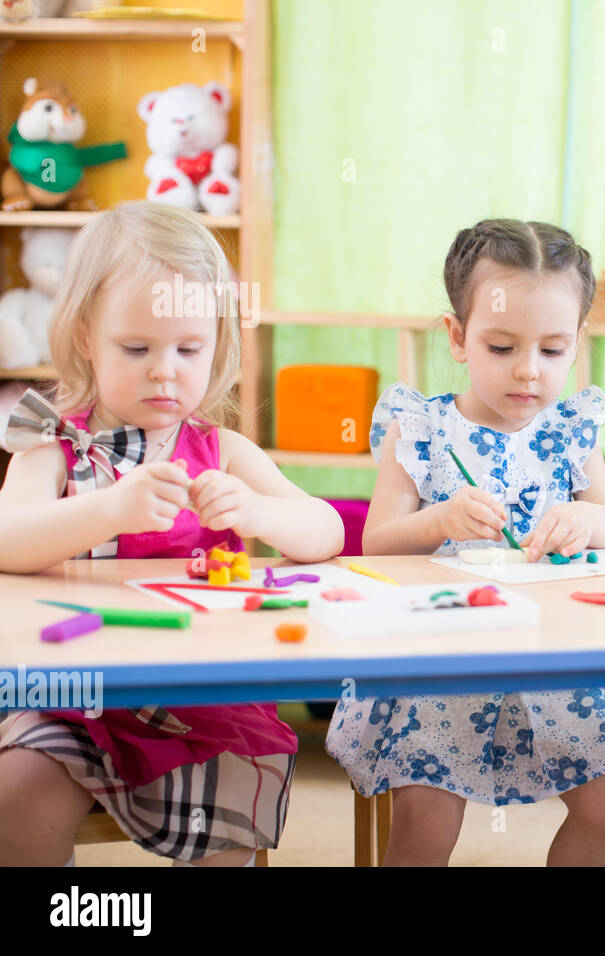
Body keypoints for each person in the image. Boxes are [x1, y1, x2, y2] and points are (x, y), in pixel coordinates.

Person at [0, 201, 344, 866]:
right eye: (137, 349)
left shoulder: (222, 448)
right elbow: (7, 537)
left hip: (198, 698)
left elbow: (325, 530)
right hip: (73, 695)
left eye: (189, 349)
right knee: (16, 796)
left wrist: (257, 512)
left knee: (235, 810)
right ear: (83, 339)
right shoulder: (55, 443)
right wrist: (104, 512)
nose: (165, 370)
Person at [326, 219, 605, 866]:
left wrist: (588, 524)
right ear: (458, 337)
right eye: (502, 348)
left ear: (578, 344)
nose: (529, 373)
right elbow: (373, 545)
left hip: (554, 654)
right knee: (426, 816)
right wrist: (438, 520)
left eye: (552, 351)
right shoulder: (420, 427)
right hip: (443, 658)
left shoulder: (572, 428)